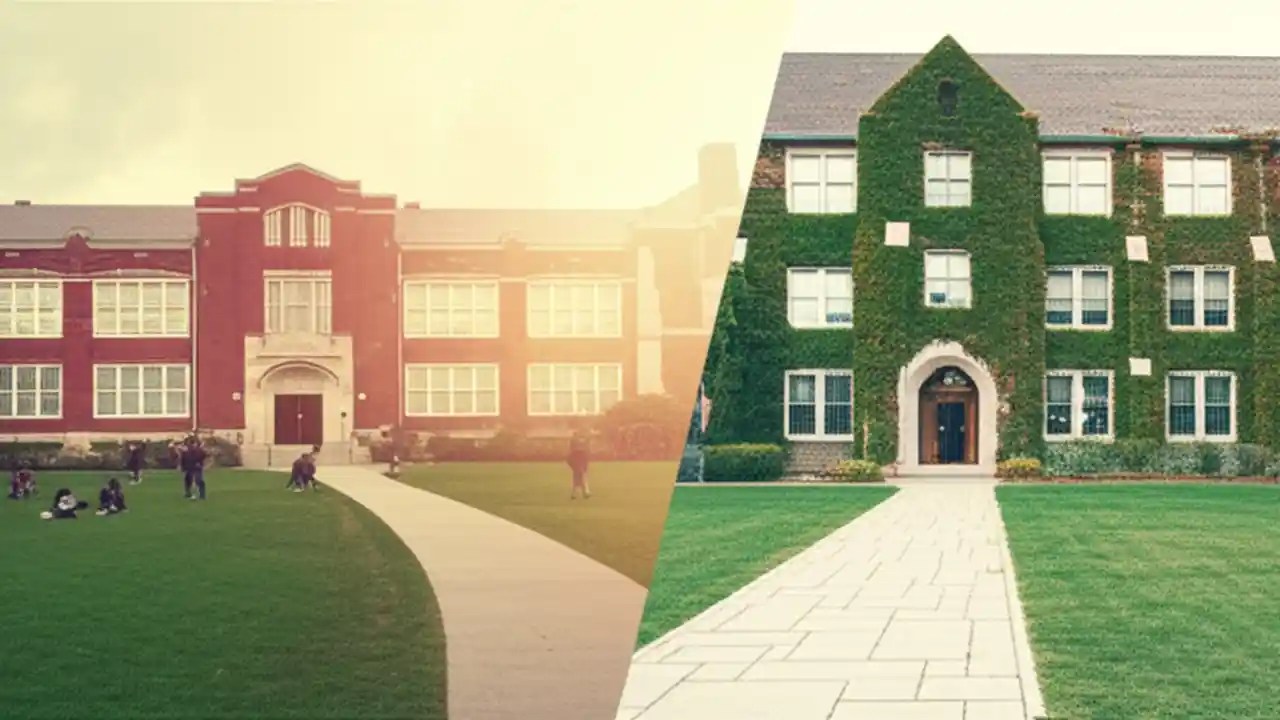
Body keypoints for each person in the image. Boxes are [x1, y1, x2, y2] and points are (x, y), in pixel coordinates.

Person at [179, 436, 208, 501]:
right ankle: (199, 495)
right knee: (194, 481)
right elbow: (203, 456)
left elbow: (183, 459)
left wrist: (183, 467)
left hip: (192, 467)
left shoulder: (187, 450)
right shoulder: (196, 450)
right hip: (194, 467)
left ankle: (195, 494)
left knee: (194, 481)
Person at [567, 430, 592, 500]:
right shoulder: (580, 448)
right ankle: (584, 492)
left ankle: (576, 493)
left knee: (578, 477)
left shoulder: (575, 449)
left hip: (578, 463)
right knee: (581, 476)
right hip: (579, 463)